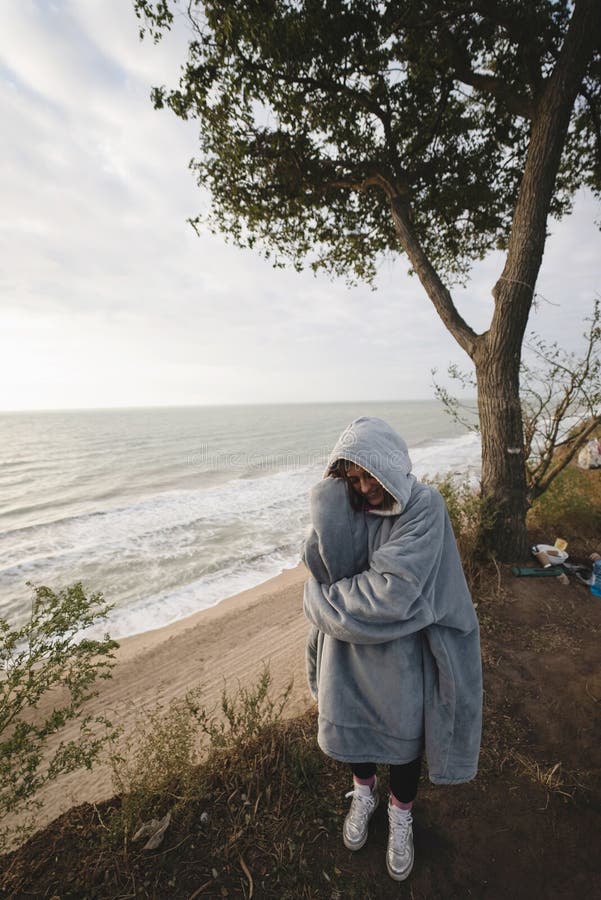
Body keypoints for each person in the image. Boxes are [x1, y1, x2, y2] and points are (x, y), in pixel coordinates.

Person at [303, 416, 482, 882]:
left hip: (403, 654)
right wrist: (328, 500)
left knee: (404, 742)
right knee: (352, 730)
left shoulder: (424, 507)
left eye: (371, 475)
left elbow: (391, 593)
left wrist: (321, 601)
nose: (365, 488)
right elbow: (323, 563)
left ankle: (401, 814)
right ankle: (365, 794)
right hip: (345, 653)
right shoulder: (347, 505)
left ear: (393, 464)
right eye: (353, 478)